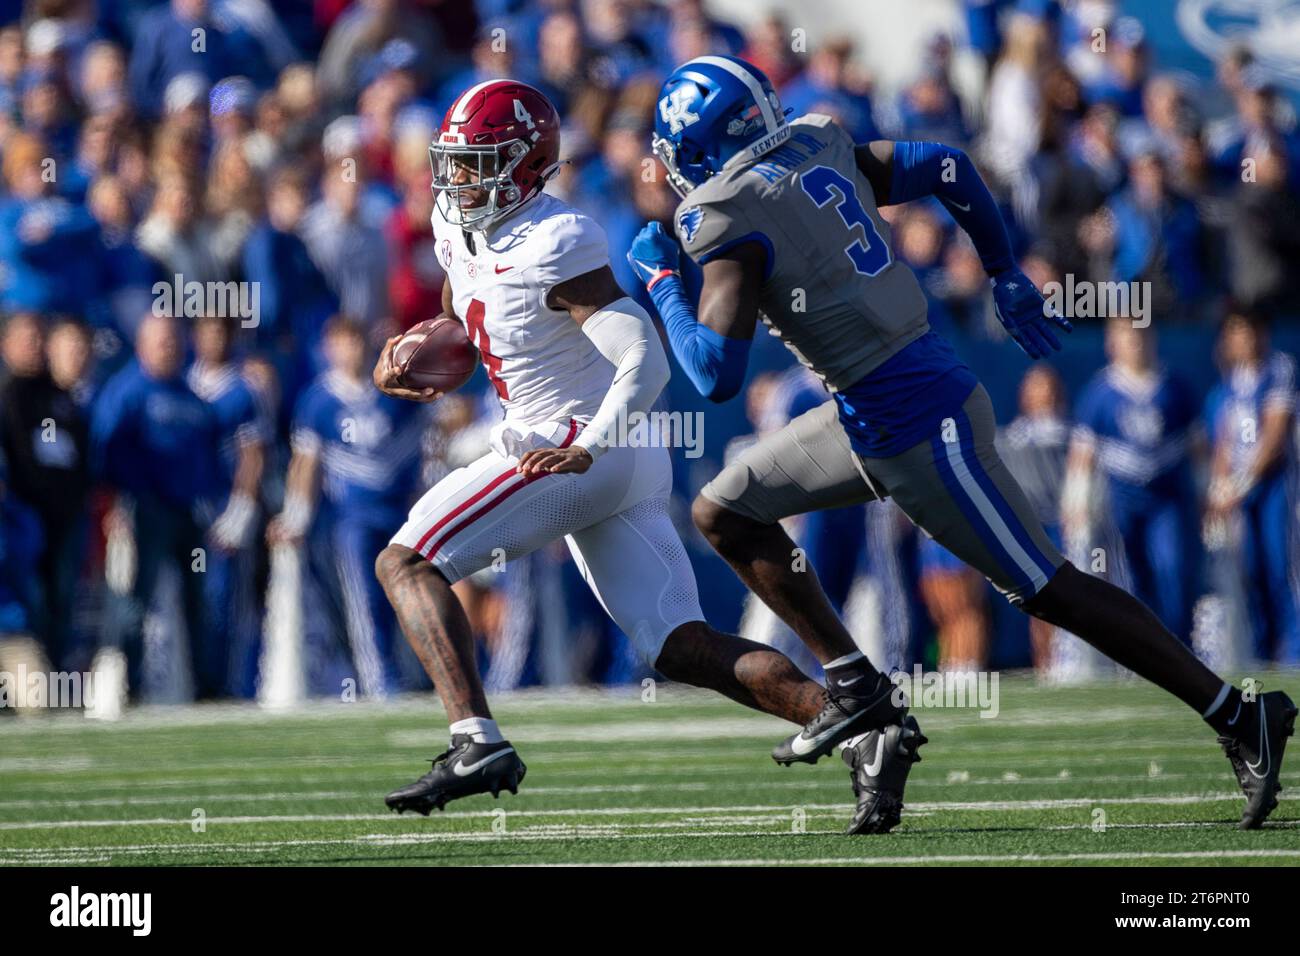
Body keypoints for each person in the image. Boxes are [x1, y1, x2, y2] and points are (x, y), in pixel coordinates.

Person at [629, 54, 1295, 829]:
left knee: (1049, 588)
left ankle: (1239, 715)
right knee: (726, 512)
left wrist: (660, 284)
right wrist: (1003, 269)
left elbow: (713, 374)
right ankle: (855, 687)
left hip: (920, 422)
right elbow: (945, 163)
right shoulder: (818, 144)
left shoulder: (726, 218)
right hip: (868, 412)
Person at [371, 79, 920, 835]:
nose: (458, 178)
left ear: (525, 166)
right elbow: (482, 323)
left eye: (478, 162)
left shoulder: (556, 239)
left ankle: (476, 742)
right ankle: (863, 724)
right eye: (456, 162)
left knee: (407, 562)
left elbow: (646, 361)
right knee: (681, 645)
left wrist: (587, 448)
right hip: (612, 455)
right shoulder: (456, 224)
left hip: (576, 441)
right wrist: (412, 357)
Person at [268, 315, 425, 698]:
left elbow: (422, 449)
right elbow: (306, 464)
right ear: (328, 349)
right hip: (353, 519)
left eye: (354, 342)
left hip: (400, 514)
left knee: (411, 596)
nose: (350, 351)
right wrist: (296, 516)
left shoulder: (395, 392)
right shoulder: (318, 400)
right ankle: (378, 681)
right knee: (363, 601)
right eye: (341, 343)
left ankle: (415, 674)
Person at [90, 312, 223, 699]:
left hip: (189, 514)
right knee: (136, 600)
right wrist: (117, 502)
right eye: (161, 340)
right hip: (145, 510)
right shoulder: (126, 392)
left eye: (173, 340)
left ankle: (205, 686)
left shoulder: (190, 393)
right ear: (142, 344)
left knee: (199, 600)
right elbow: (106, 450)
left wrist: (213, 501)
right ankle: (129, 686)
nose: (168, 347)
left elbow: (209, 452)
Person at [1205, 310, 1300, 665]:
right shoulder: (1231, 383)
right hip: (1243, 493)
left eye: (1247, 331)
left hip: (1275, 487)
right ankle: (1264, 658)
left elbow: (1274, 437)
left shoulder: (1279, 369)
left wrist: (1239, 484)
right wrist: (1218, 489)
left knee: (1284, 571)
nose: (1241, 341)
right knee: (1251, 574)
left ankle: (1294, 656)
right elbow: (1225, 441)